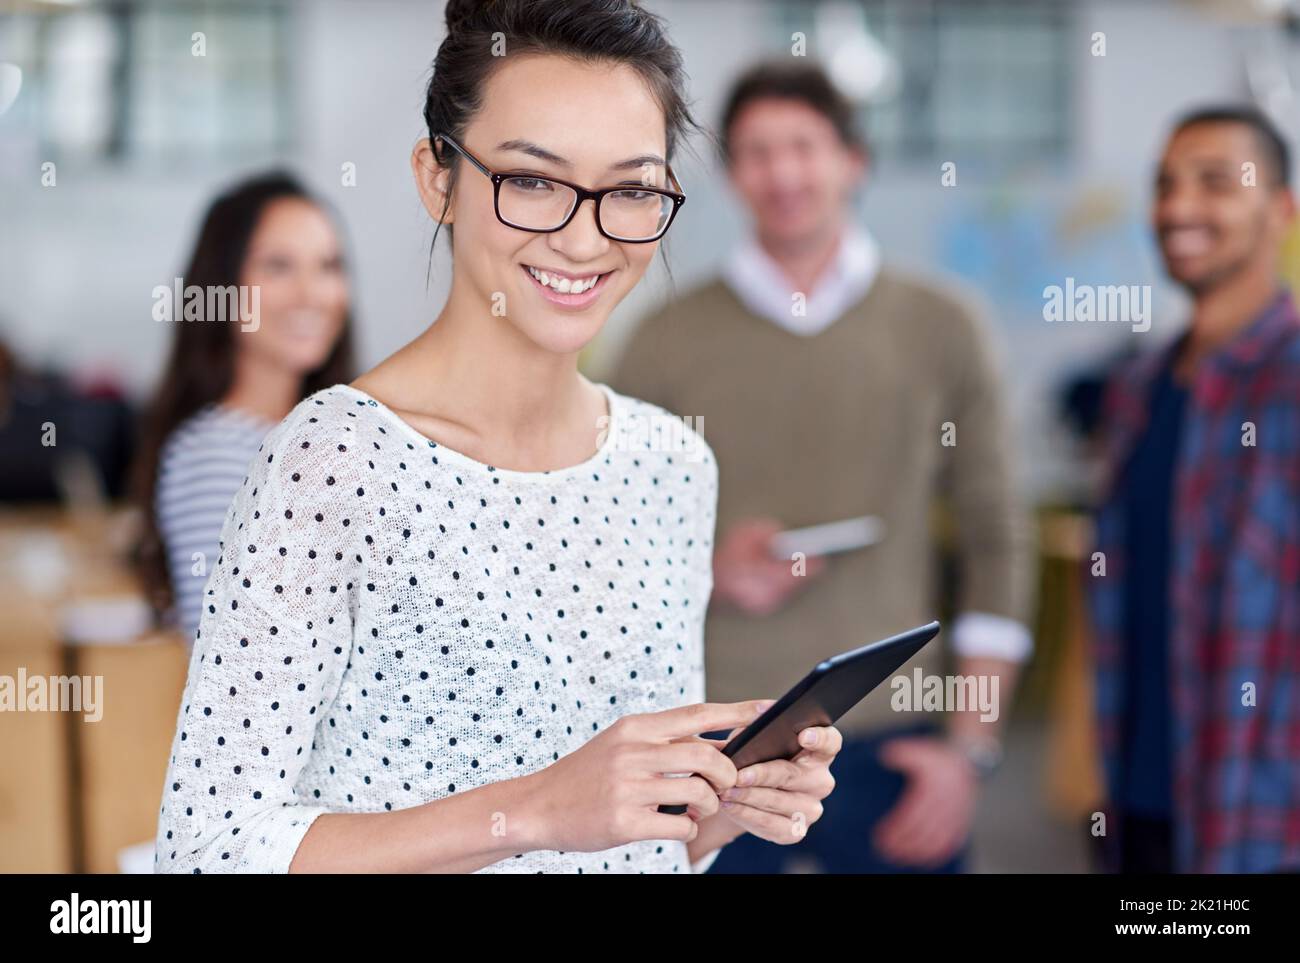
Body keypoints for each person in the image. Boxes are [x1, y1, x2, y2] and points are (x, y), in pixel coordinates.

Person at [153, 0, 842, 875]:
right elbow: (205, 850)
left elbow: (642, 840)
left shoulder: (672, 466)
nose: (585, 236)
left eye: (631, 189)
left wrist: (726, 807)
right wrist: (538, 808)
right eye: (533, 181)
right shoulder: (334, 458)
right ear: (437, 178)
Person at [613, 60, 1034, 873]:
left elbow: (998, 542)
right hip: (713, 749)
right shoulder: (662, 343)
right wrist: (707, 568)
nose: (783, 173)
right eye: (757, 152)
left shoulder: (944, 327)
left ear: (854, 160)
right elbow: (603, 547)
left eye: (803, 146)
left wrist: (970, 751)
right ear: (731, 174)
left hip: (894, 743)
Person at [1088, 105, 1300, 873]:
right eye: (1165, 184)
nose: (1178, 208)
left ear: (1281, 209)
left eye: (1215, 182)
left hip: (1270, 825)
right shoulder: (1139, 391)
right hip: (1143, 815)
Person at [132, 172, 356, 643]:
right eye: (278, 266)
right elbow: (235, 668)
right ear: (223, 285)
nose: (310, 293)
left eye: (329, 266)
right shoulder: (215, 454)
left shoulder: (326, 435)